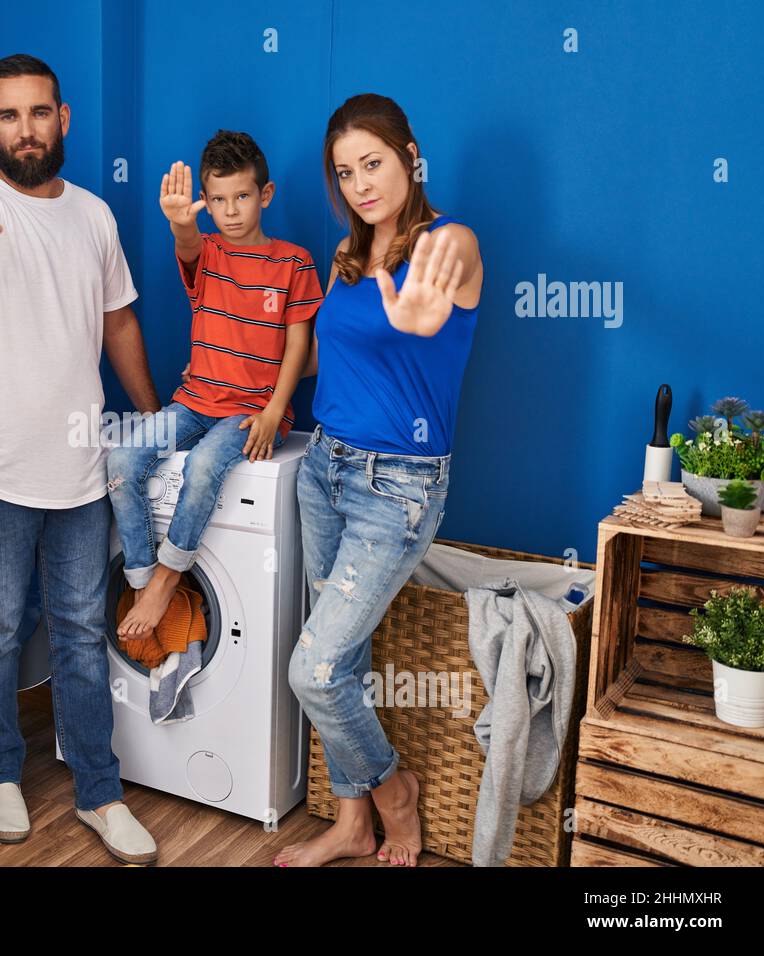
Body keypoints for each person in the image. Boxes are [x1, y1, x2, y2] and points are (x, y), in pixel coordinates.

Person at [0, 53, 163, 865]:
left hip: (79, 466)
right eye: (9, 116)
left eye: (40, 112)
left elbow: (118, 323)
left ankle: (99, 790)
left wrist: (154, 418)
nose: (27, 129)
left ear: (65, 120)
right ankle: (0, 776)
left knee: (82, 633)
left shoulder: (93, 215)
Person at [273, 93, 483, 869]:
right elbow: (342, 357)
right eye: (345, 171)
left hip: (398, 486)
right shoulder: (346, 257)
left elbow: (446, 272)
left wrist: (423, 314)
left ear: (410, 156)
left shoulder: (447, 244)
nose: (361, 183)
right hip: (323, 469)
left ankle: (398, 796)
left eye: (374, 163)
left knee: (315, 669)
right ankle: (353, 825)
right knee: (347, 663)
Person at [108, 131, 320, 640]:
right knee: (121, 460)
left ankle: (168, 576)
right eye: (218, 200)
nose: (230, 210)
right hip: (194, 401)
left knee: (203, 467)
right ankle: (140, 579)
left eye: (242, 197)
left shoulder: (294, 263)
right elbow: (187, 243)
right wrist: (182, 223)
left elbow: (298, 346)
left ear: (265, 195)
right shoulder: (206, 253)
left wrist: (275, 409)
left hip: (249, 412)